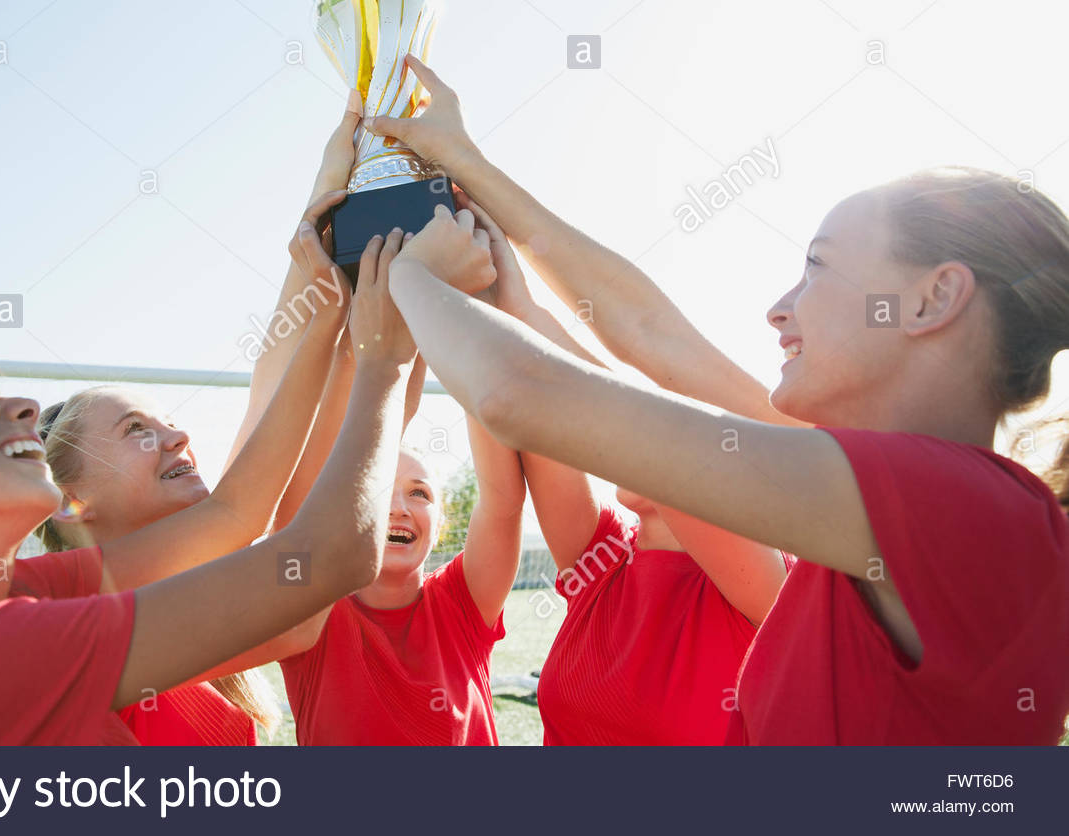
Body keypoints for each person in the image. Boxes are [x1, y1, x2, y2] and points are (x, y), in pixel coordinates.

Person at [372, 56, 1069, 744]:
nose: (779, 308)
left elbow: (519, 393)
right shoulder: (918, 497)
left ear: (932, 298)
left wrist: (407, 277)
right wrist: (470, 171)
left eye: (817, 265)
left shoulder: (952, 504)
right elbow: (654, 335)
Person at [0, 222, 419, 744]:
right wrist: (383, 362)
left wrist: (330, 314)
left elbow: (234, 513)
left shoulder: (17, 595)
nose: (24, 405)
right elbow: (328, 556)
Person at [30, 106, 366, 746]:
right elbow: (301, 611)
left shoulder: (197, 576)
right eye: (135, 430)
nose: (179, 438)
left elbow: (269, 386)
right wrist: (373, 359)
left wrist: (322, 208)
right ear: (70, 501)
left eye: (169, 423)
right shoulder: (72, 620)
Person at [461, 200, 788, 744]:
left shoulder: (765, 584)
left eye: (681, 416)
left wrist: (519, 307)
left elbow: (654, 442)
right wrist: (489, 292)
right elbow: (535, 400)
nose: (639, 428)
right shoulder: (603, 560)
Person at [230, 192, 521, 744]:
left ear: (441, 521)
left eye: (420, 493)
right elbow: (310, 495)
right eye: (382, 489)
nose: (400, 506)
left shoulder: (462, 604)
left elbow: (503, 499)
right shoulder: (318, 607)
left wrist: (458, 307)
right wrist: (366, 318)